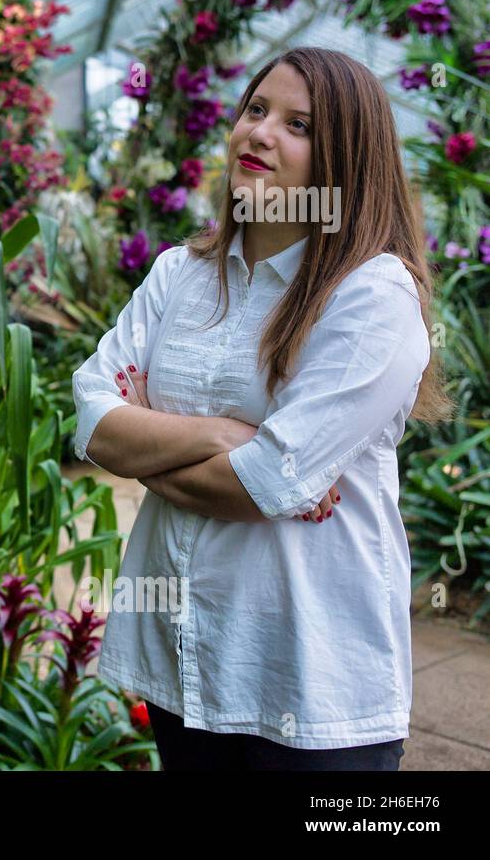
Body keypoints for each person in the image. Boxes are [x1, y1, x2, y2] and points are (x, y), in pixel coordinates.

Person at [70, 47, 454, 770]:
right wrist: (225, 434)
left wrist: (148, 444)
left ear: (347, 158)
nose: (260, 133)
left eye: (299, 124)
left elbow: (267, 482)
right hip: (183, 666)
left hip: (310, 688)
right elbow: (93, 420)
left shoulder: (373, 297)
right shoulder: (179, 275)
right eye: (255, 109)